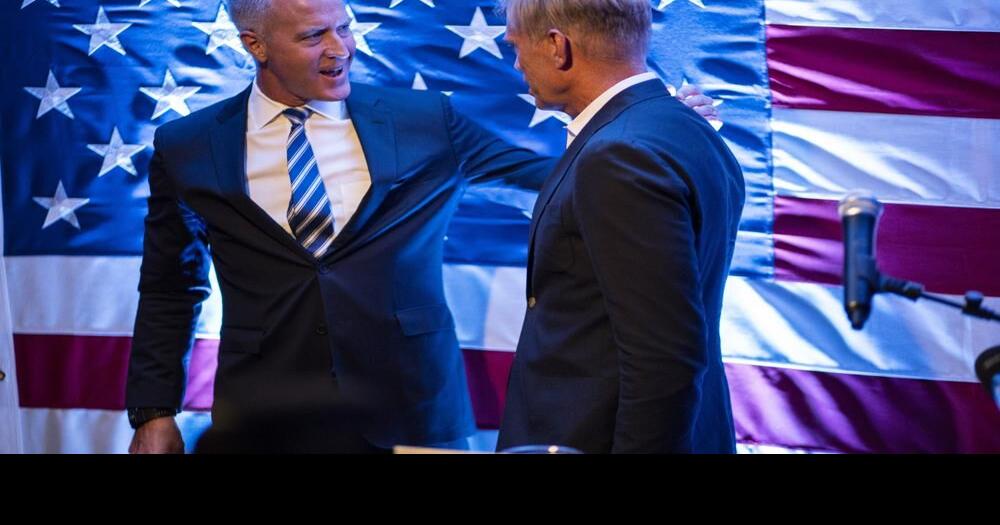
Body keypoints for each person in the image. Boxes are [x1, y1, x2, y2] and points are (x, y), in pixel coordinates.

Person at [125, 0, 719, 453]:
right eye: (313, 36)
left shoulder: (425, 119)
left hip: (412, 412)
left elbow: (559, 173)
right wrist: (154, 411)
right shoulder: (189, 145)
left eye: (345, 27)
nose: (341, 48)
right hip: (262, 417)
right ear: (254, 43)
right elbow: (170, 287)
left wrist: (645, 124)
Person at [496, 0, 746, 453]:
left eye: (517, 46)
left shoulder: (617, 155)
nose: (516, 63)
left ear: (557, 47)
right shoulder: (687, 126)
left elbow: (664, 359)